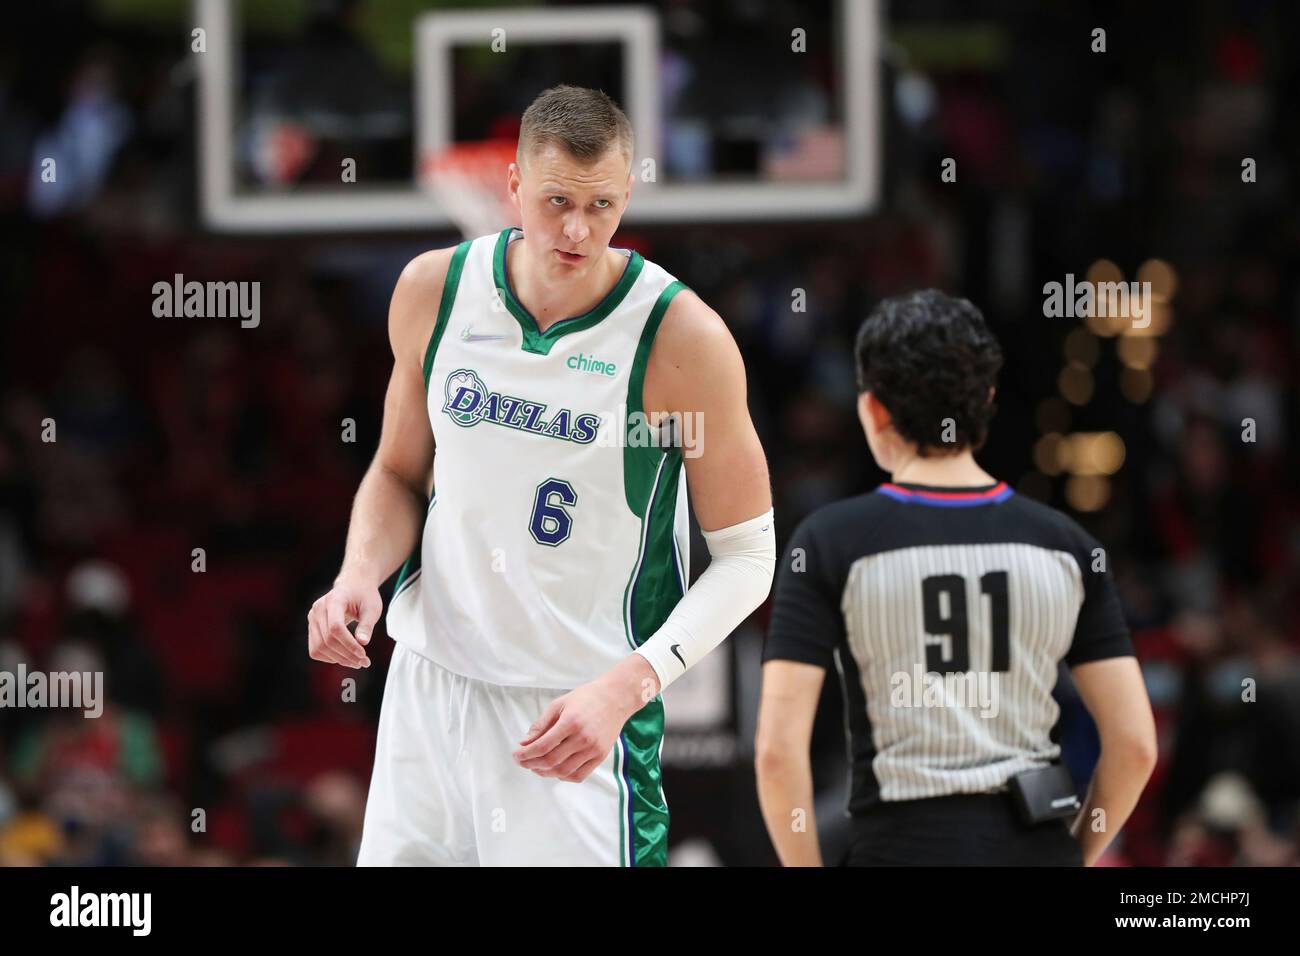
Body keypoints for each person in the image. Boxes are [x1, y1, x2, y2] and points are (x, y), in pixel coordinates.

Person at [306, 85, 775, 866]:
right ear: (513, 186)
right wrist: (360, 571)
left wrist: (628, 688)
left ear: (628, 193)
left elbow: (751, 557)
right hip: (429, 689)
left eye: (601, 205)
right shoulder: (435, 291)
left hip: (573, 711)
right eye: (557, 200)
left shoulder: (680, 338)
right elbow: (395, 472)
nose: (577, 229)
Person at [755, 290, 1156, 866]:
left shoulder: (828, 543)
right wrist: (1075, 854)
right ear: (988, 400)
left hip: (897, 848)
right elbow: (1136, 745)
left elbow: (776, 752)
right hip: (1034, 842)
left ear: (874, 410)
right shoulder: (1068, 547)